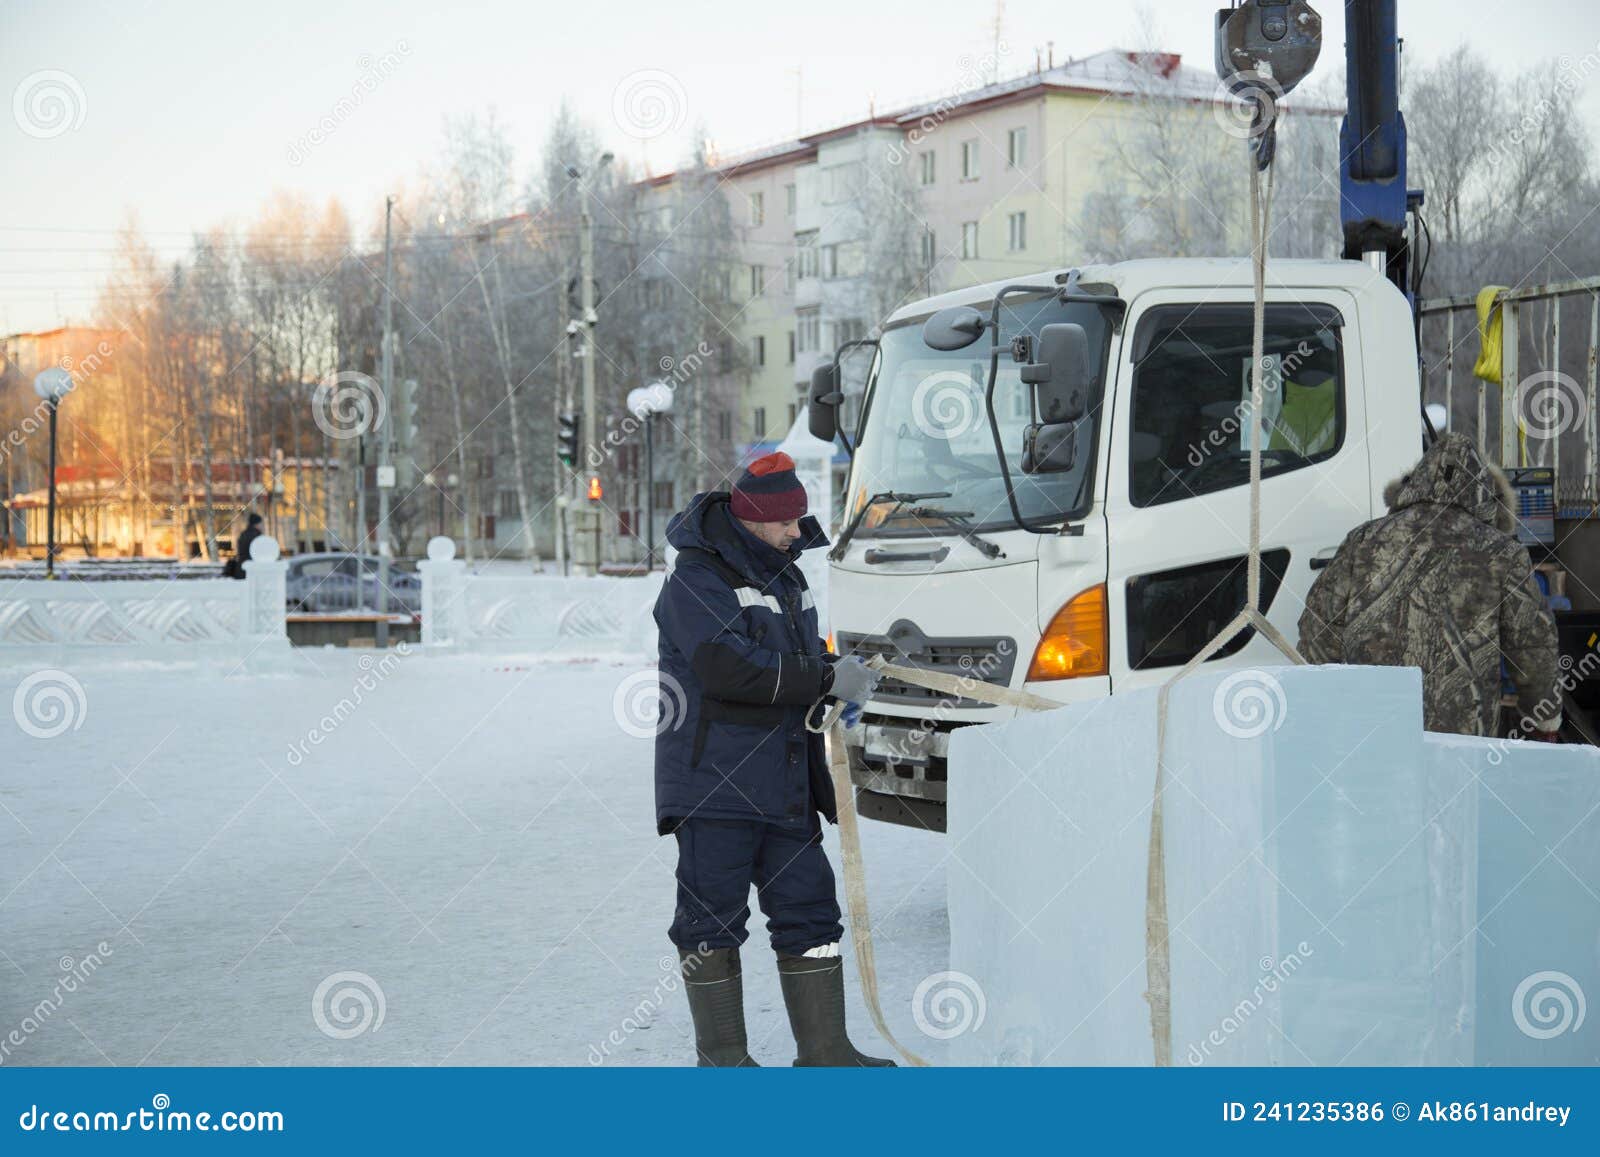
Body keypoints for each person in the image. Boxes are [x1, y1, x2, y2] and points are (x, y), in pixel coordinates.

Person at [653, 451, 893, 1067]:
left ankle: (826, 1052)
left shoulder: (787, 575)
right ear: (753, 519)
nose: (796, 533)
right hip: (715, 787)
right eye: (786, 522)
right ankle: (725, 1060)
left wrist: (842, 678)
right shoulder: (695, 580)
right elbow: (726, 667)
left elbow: (803, 657)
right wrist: (822, 677)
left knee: (812, 913)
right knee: (711, 919)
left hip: (787, 783)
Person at [1298, 433, 1561, 738]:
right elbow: (1532, 648)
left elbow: (1316, 633)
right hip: (1462, 743)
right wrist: (1544, 719)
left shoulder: (1363, 541)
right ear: (1487, 496)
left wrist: (1324, 705)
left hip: (1371, 735)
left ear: (1413, 483)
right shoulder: (1503, 553)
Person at [224, 513, 264, 580]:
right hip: (252, 569)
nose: (262, 525)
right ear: (256, 524)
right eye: (261, 523)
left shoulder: (244, 534)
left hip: (241, 568)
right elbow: (259, 553)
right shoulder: (256, 536)